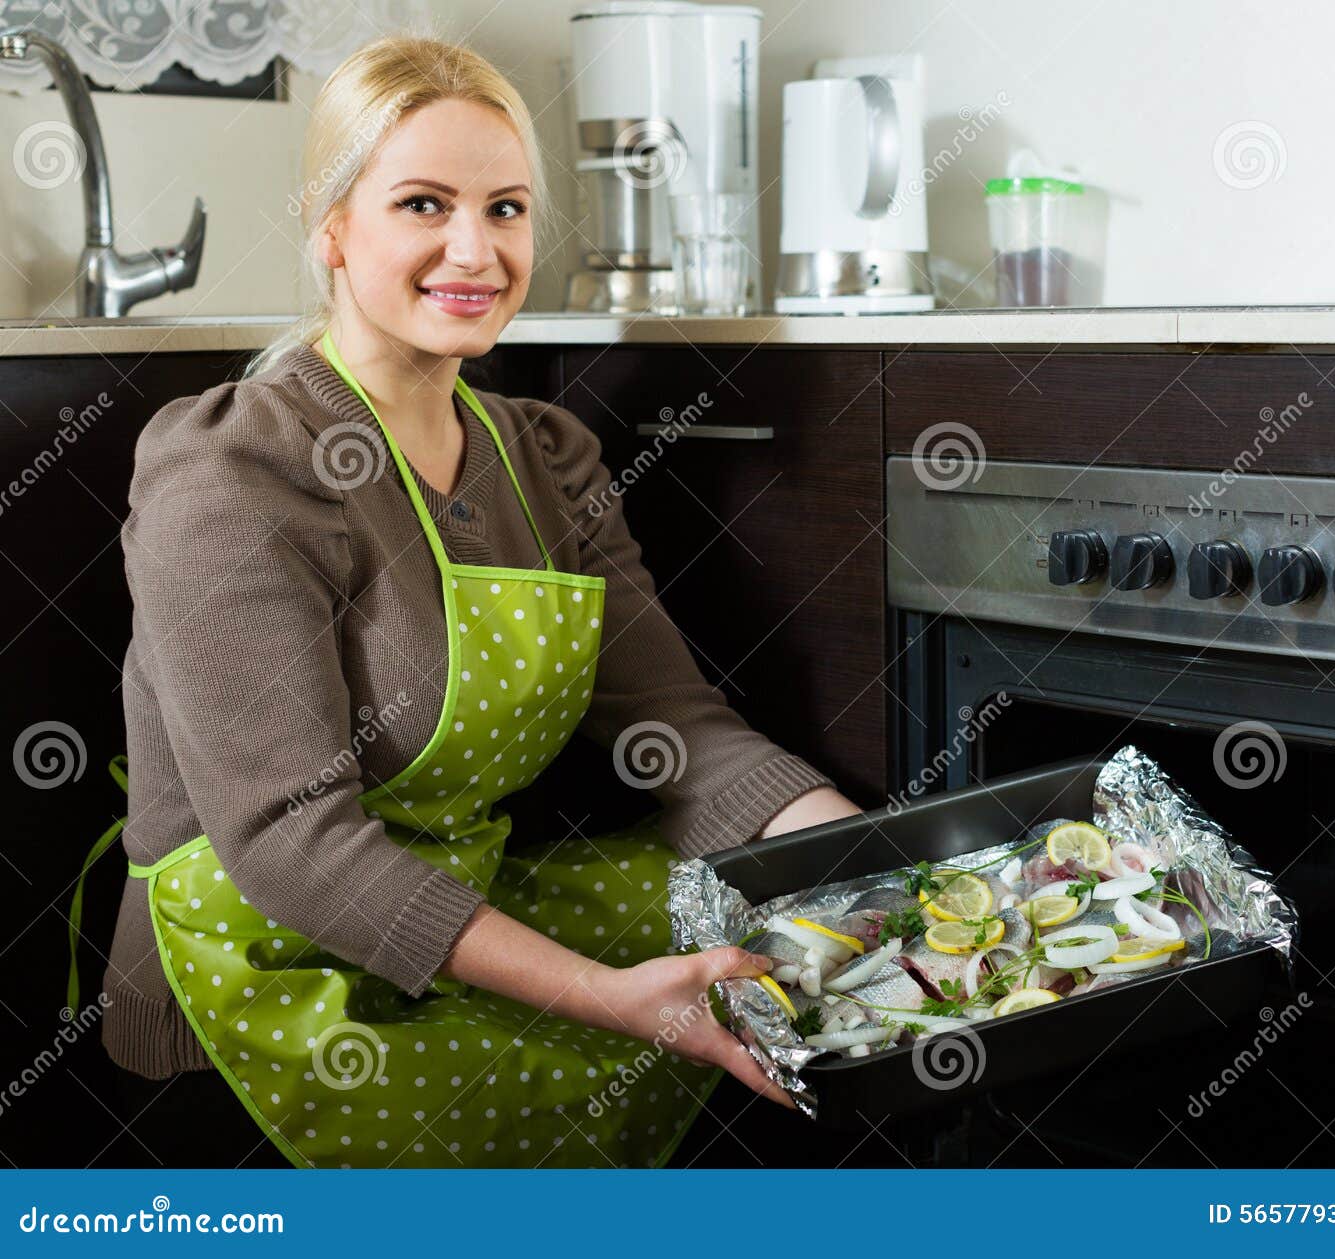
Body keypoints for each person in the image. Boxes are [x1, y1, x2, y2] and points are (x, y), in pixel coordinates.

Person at [69, 31, 861, 1170]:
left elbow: (676, 737)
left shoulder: (547, 458)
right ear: (333, 228)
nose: (475, 249)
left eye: (506, 209)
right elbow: (290, 844)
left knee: (782, 940)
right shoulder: (233, 468)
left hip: (456, 912)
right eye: (425, 203)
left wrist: (891, 862)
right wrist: (612, 996)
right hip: (259, 984)